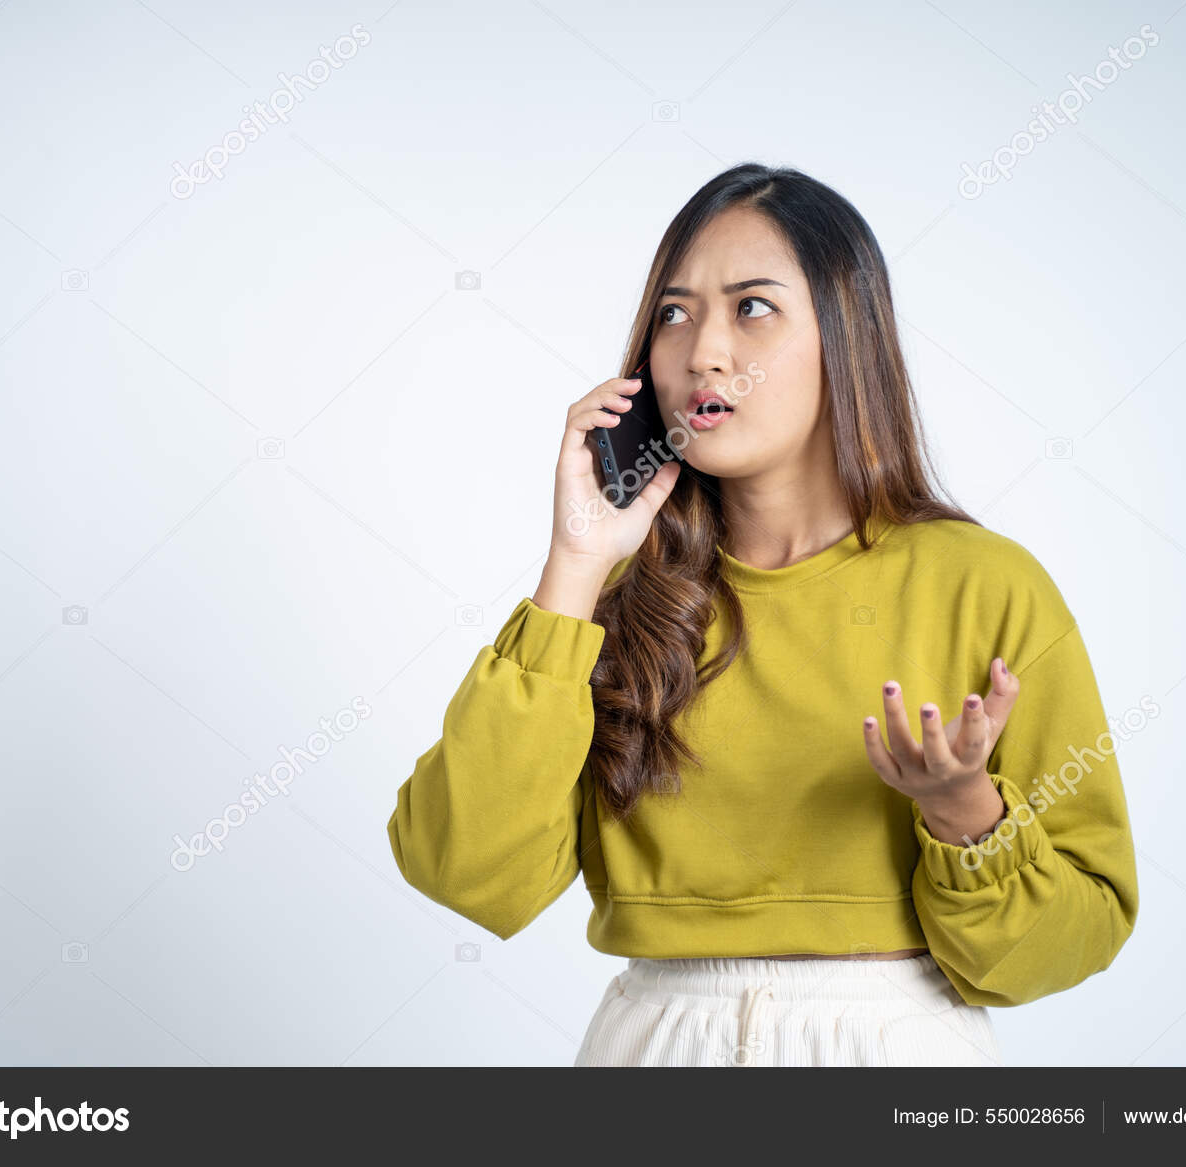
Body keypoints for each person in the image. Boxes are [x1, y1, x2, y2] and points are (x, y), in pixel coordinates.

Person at [386, 162, 1138, 1067]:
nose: (702, 350)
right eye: (674, 312)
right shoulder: (614, 601)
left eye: (752, 307)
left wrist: (964, 810)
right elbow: (466, 871)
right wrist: (575, 565)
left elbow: (1071, 941)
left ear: (846, 338)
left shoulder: (987, 586)